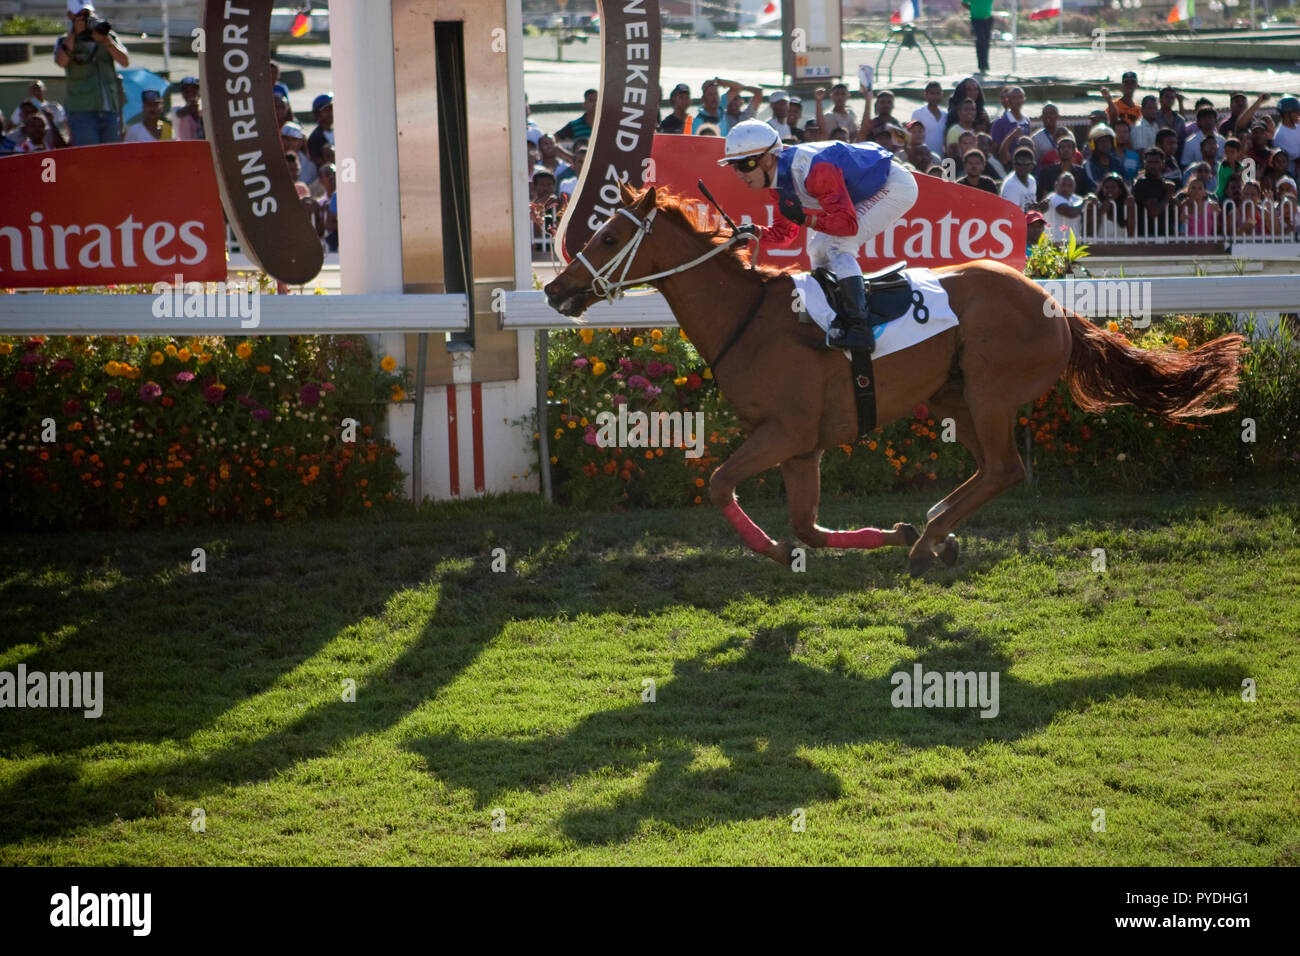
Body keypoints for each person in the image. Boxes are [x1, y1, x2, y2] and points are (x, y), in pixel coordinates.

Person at [718, 118, 919, 352]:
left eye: (744, 165)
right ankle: (835, 315)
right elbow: (786, 234)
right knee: (815, 247)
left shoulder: (814, 170)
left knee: (836, 244)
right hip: (869, 186)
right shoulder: (777, 184)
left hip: (895, 185)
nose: (738, 174)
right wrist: (755, 232)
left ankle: (858, 327)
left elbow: (847, 226)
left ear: (767, 159)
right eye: (734, 166)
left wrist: (806, 218)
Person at [55, 2, 129, 146]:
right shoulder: (65, 40)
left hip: (109, 109)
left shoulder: (108, 36)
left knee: (110, 156)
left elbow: (125, 61)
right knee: (89, 157)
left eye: (88, 15)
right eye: (80, 15)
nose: (85, 19)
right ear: (70, 16)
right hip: (81, 111)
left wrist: (106, 41)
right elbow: (61, 61)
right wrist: (74, 34)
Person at [1132, 147, 1179, 236]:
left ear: (1163, 164)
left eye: (1156, 162)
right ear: (1144, 164)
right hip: (1147, 236)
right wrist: (1168, 194)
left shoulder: (1165, 183)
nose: (1152, 166)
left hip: (1166, 235)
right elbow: (1154, 212)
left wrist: (1174, 201)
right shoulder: (1142, 183)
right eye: (1149, 162)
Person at [1037, 134, 1095, 200]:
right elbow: (1043, 196)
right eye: (1063, 147)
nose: (1066, 150)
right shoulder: (1048, 172)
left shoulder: (1081, 172)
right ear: (1058, 152)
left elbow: (1087, 193)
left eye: (1069, 147)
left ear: (1074, 152)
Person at [1084, 173, 1133, 239]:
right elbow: (1089, 233)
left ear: (1120, 190)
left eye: (1113, 187)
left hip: (1120, 247)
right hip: (1099, 247)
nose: (1109, 190)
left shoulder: (1126, 207)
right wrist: (1100, 213)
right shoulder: (1095, 206)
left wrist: (1130, 209)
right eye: (1106, 187)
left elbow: (1131, 234)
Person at [1043, 172, 1085, 242]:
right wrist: (1085, 202)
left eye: (1070, 185)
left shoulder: (1077, 199)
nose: (1066, 187)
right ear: (1056, 185)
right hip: (1054, 243)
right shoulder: (1053, 197)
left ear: (1075, 186)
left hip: (1074, 242)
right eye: (1063, 184)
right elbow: (1070, 213)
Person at [910, 81, 947, 158]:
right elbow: (912, 136)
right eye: (932, 94)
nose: (935, 97)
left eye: (937, 93)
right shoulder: (918, 113)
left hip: (940, 158)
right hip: (922, 158)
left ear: (941, 95)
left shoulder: (945, 115)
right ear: (926, 95)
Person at [962, 0, 994, 75]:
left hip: (988, 19)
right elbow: (964, 3)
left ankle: (985, 65)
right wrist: (973, 9)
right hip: (976, 19)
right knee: (981, 40)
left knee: (986, 42)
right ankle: (981, 66)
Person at [1000, 146, 1038, 211]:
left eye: (1026, 164)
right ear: (1013, 165)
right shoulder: (1011, 186)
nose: (1022, 167)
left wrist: (1039, 208)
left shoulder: (1032, 180)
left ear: (1032, 165)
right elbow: (1012, 214)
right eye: (1018, 164)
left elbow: (1032, 205)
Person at [1272, 96, 1300, 177]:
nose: (1299, 113)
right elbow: (1297, 159)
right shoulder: (1281, 135)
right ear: (1287, 114)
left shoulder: (1297, 125)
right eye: (1296, 111)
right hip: (1293, 177)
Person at [173, 76, 203, 140]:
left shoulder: (205, 108)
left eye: (194, 90)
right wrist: (192, 107)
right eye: (187, 91)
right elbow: (179, 114)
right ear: (182, 94)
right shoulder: (177, 109)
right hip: (187, 146)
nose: (191, 93)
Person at [307, 92, 333, 167]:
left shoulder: (339, 132)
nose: (331, 113)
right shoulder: (315, 138)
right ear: (317, 114)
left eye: (332, 109)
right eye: (327, 110)